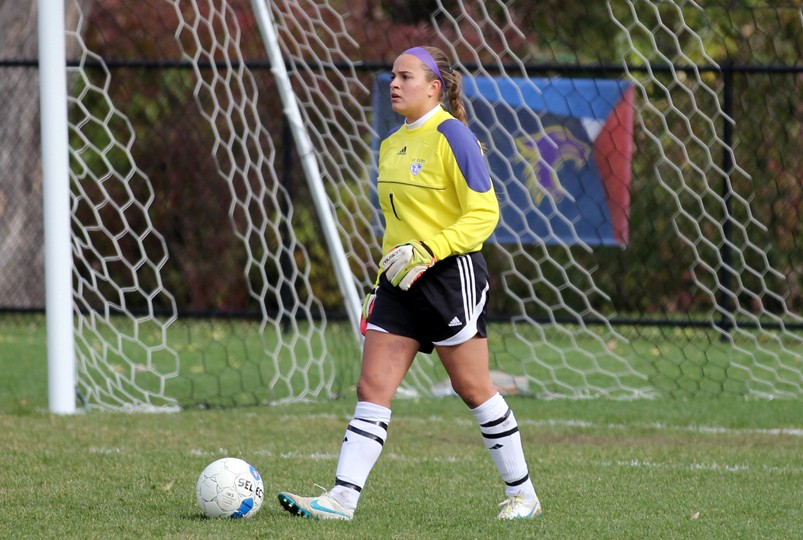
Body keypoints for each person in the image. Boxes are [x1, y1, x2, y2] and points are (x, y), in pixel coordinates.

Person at [277, 45, 541, 521]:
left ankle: (523, 495)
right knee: (371, 387)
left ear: (434, 86)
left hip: (448, 277)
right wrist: (381, 285)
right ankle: (342, 499)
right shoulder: (390, 144)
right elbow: (397, 230)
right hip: (399, 280)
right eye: (392, 76)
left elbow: (484, 213)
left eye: (406, 76)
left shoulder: (453, 136)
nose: (394, 84)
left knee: (473, 387)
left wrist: (431, 250)